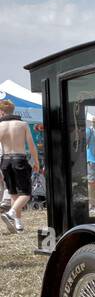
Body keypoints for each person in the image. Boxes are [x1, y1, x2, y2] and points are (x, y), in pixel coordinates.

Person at [0, 100, 40, 233]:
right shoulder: (22, 124)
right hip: (19, 159)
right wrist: (36, 162)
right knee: (26, 194)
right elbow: (31, 145)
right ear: (13, 110)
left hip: (5, 161)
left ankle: (18, 224)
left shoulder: (0, 125)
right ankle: (11, 213)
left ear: (2, 111)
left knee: (13, 194)